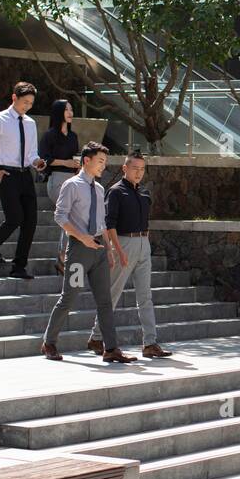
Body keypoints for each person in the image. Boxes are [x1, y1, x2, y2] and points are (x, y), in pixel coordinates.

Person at [40, 142, 137, 363]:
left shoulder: (100, 188)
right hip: (78, 251)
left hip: (99, 252)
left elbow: (101, 222)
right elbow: (60, 216)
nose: (103, 166)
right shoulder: (71, 185)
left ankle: (111, 349)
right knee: (69, 297)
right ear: (87, 161)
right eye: (100, 161)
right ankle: (49, 342)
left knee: (105, 300)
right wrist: (82, 237)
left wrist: (109, 250)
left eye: (105, 162)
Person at [87, 149, 172, 359]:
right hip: (123, 243)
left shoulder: (144, 192)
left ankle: (150, 343)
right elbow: (109, 224)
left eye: (142, 169)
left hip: (143, 243)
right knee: (113, 295)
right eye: (135, 168)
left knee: (146, 297)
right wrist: (116, 250)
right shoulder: (115, 191)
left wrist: (146, 242)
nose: (139, 172)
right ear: (125, 168)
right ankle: (97, 337)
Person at [0, 82, 45, 279]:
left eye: (31, 103)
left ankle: (19, 266)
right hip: (6, 173)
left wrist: (37, 162)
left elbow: (32, 152)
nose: (27, 106)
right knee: (15, 217)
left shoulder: (30, 123)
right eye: (25, 102)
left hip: (25, 174)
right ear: (14, 98)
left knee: (31, 221)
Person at [39, 98, 80, 275]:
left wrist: (77, 165)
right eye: (67, 110)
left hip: (72, 180)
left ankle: (62, 257)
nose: (70, 113)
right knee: (69, 216)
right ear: (59, 113)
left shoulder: (73, 136)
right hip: (56, 180)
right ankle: (63, 257)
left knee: (71, 217)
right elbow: (44, 159)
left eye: (71, 109)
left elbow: (76, 157)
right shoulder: (49, 135)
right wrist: (66, 162)